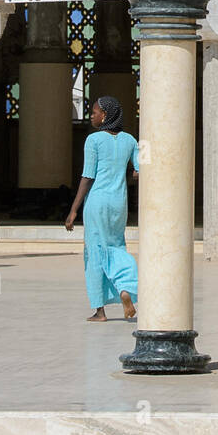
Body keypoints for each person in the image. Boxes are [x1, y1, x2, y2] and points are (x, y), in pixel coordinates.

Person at [65, 95, 139, 323]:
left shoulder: (94, 140)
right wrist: (123, 179)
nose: (92, 115)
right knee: (117, 246)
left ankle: (100, 311)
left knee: (95, 253)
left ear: (105, 115)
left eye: (95, 111)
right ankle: (125, 287)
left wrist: (74, 209)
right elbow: (139, 171)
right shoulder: (131, 141)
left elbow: (88, 176)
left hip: (96, 202)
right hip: (119, 203)